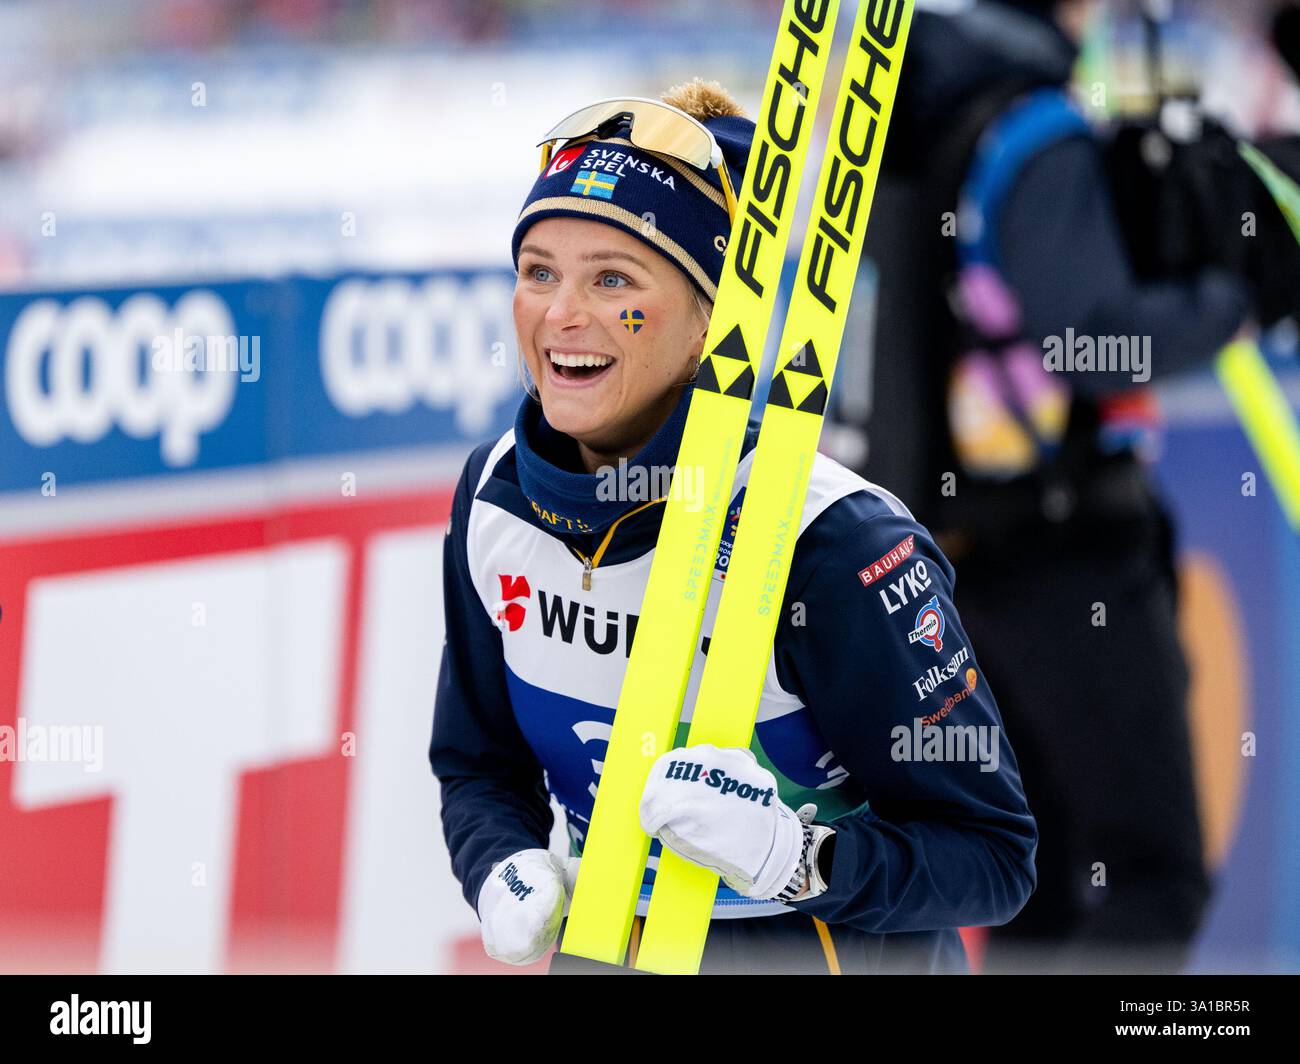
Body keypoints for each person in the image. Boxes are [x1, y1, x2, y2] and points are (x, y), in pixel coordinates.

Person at [429, 79, 1037, 975]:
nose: (561, 314)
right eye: (538, 272)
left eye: (613, 279)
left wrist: (800, 860)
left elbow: (992, 858)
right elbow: (476, 762)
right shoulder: (493, 499)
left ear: (711, 322)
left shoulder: (836, 544)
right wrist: (500, 865)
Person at [846, 0, 1261, 972]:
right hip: (1062, 550)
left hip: (961, 546)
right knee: (1148, 875)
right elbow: (1087, 333)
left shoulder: (930, 110)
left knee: (1049, 873)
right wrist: (1235, 298)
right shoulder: (1031, 119)